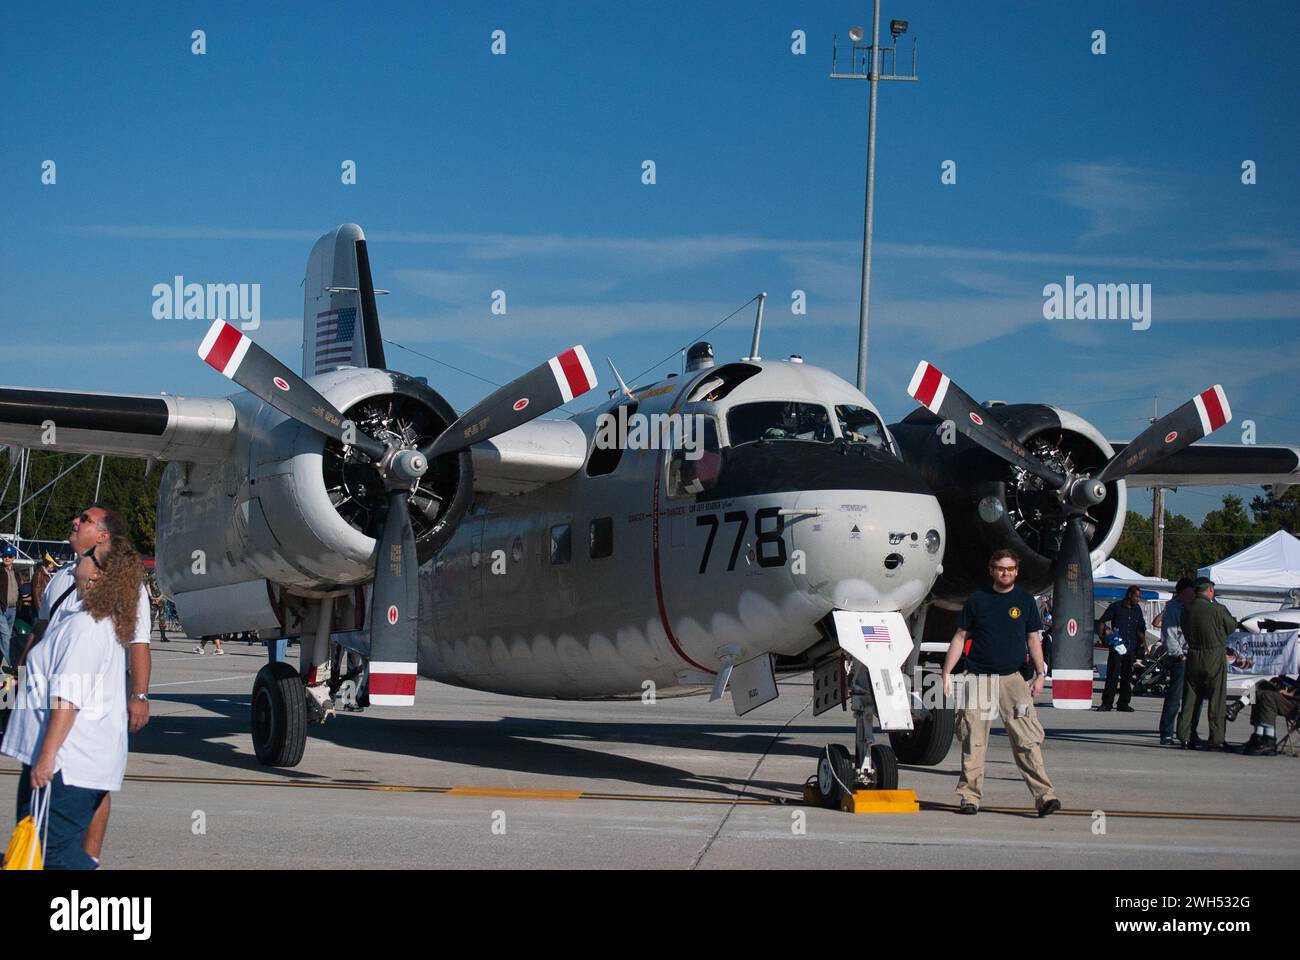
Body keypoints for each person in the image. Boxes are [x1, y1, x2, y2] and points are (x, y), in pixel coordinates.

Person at [24, 504, 152, 862]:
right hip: (52, 700)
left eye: (84, 519)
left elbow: (138, 643)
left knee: (91, 785)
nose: (74, 521)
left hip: (87, 704)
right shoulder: (63, 577)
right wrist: (20, 677)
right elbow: (43, 630)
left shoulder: (127, 587)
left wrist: (139, 694)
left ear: (103, 536)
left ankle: (86, 860)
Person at [1, 536, 139, 868]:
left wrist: (46, 757)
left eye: (89, 556)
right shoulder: (89, 619)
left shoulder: (85, 627)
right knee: (39, 850)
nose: (80, 559)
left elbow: (69, 696)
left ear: (97, 576)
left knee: (52, 853)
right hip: (69, 762)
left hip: (64, 765)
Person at [941, 548, 1060, 817]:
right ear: (992, 570)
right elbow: (960, 637)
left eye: (1009, 569)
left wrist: (1041, 674)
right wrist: (946, 673)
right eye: (1000, 568)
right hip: (979, 678)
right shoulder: (977, 600)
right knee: (974, 740)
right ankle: (969, 797)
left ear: (1016, 572)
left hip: (1012, 680)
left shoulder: (1026, 601)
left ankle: (1045, 797)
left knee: (1027, 740)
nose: (1005, 573)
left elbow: (1033, 639)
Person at [1176, 577, 1238, 751]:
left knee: (1190, 699)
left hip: (1194, 654)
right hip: (1214, 655)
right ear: (1210, 589)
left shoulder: (1186, 610)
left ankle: (1185, 737)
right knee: (1216, 699)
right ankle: (1216, 739)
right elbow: (1231, 626)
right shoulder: (1218, 609)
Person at [1153, 578, 1195, 744]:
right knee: (1174, 696)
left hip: (1193, 656)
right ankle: (1167, 732)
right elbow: (1169, 636)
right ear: (1182, 592)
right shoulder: (1173, 608)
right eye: (1190, 591)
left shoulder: (1194, 606)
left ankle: (1187, 731)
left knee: (1191, 698)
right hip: (1180, 657)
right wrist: (1179, 655)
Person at [1096, 586, 1147, 712]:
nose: (1138, 599)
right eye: (1136, 596)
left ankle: (1123, 703)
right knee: (1112, 675)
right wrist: (1103, 637)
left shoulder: (1137, 609)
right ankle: (1107, 703)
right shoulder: (1116, 607)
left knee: (1127, 676)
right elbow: (1102, 621)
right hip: (1117, 647)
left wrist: (1143, 641)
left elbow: (1141, 627)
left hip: (1131, 647)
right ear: (1130, 595)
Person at [1241, 673, 1298, 756]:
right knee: (1260, 686)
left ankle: (1269, 741)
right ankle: (1258, 737)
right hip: (1293, 701)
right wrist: (1285, 680)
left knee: (1267, 696)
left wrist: (1291, 694)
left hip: (1296, 707)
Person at [0, 543, 18, 667]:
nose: (7, 558)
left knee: (6, 639)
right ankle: (12, 665)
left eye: (10, 556)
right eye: (5, 555)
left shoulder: (16, 573)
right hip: (1, 609)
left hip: (13, 609)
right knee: (6, 637)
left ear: (13, 558)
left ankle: (2, 665)